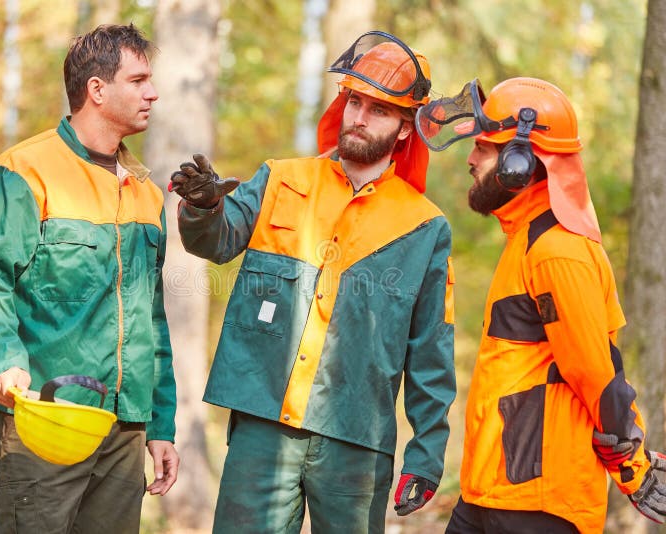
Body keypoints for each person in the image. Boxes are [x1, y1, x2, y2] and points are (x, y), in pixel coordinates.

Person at [169, 31, 456, 532]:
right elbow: (214, 240)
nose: (359, 117)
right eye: (354, 101)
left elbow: (431, 351)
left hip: (357, 441)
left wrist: (426, 453)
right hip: (263, 427)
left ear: (406, 129)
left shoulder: (425, 228)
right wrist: (202, 205)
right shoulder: (281, 179)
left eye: (379, 110)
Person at [0, 23, 178, 533]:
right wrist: (2, 361)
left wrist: (161, 423)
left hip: (124, 430)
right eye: (139, 79)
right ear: (97, 90)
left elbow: (151, 316)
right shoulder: (24, 171)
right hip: (44, 418)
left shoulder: (144, 190)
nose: (153, 92)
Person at [415, 77, 666, 533]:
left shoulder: (558, 250)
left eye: (484, 149)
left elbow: (597, 372)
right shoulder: (526, 240)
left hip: (539, 503)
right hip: (492, 493)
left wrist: (633, 465)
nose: (471, 159)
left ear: (520, 163)